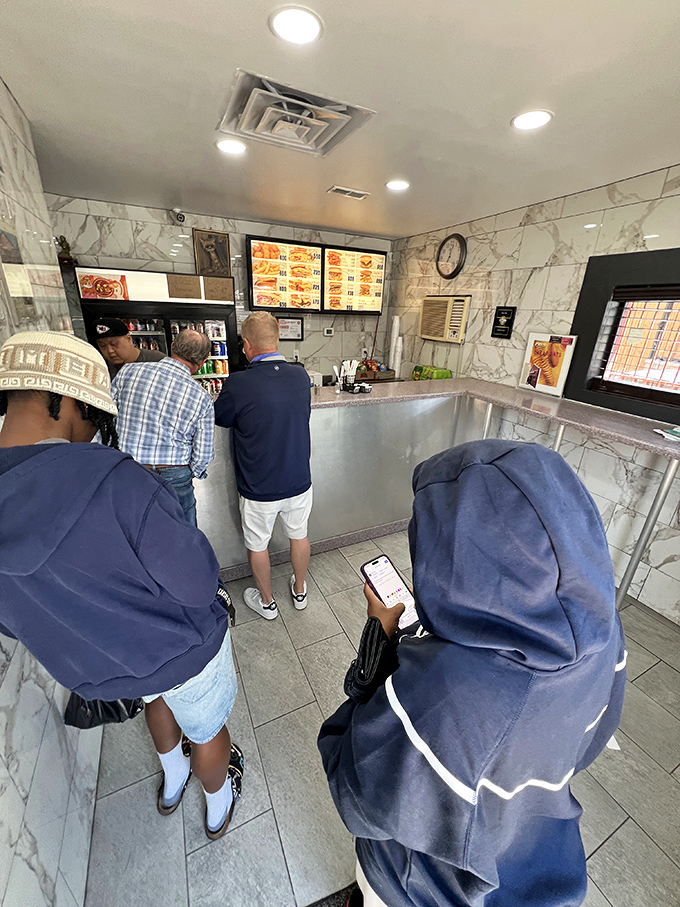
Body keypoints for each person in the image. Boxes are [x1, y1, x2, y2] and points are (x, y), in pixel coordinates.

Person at [318, 439, 626, 907]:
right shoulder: (606, 639)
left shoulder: (444, 696)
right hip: (537, 866)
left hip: (423, 887)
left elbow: (357, 793)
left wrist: (380, 640)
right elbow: (584, 741)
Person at [0, 331, 242, 839]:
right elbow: (196, 580)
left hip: (109, 669)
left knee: (156, 699)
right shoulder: (113, 481)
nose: (93, 434)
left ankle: (173, 781)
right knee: (206, 728)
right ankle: (218, 805)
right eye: (95, 417)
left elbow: (17, 623)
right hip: (183, 646)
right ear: (63, 400)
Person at [215, 311, 312, 619]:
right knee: (300, 535)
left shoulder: (238, 383)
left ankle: (267, 603)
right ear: (277, 339)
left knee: (258, 545)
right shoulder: (300, 375)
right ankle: (300, 591)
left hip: (259, 486)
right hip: (298, 478)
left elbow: (220, 418)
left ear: (247, 344)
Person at [111, 329, 214, 526]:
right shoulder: (202, 397)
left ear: (172, 346)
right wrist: (189, 472)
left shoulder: (129, 371)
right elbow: (203, 454)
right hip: (175, 474)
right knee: (183, 533)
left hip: (129, 468)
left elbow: (106, 417)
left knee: (132, 528)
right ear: (202, 362)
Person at [93, 317, 165, 379]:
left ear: (129, 339)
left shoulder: (158, 361)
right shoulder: (100, 367)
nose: (110, 351)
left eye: (114, 344)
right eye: (103, 345)